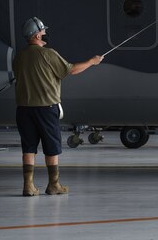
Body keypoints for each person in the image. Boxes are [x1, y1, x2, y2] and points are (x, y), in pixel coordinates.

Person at [13, 16, 102, 196]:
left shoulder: (20, 56)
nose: (46, 33)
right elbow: (71, 69)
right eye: (43, 31)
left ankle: (28, 186)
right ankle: (53, 185)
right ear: (37, 35)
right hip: (46, 108)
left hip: (23, 109)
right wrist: (92, 62)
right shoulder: (48, 54)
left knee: (28, 147)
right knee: (51, 147)